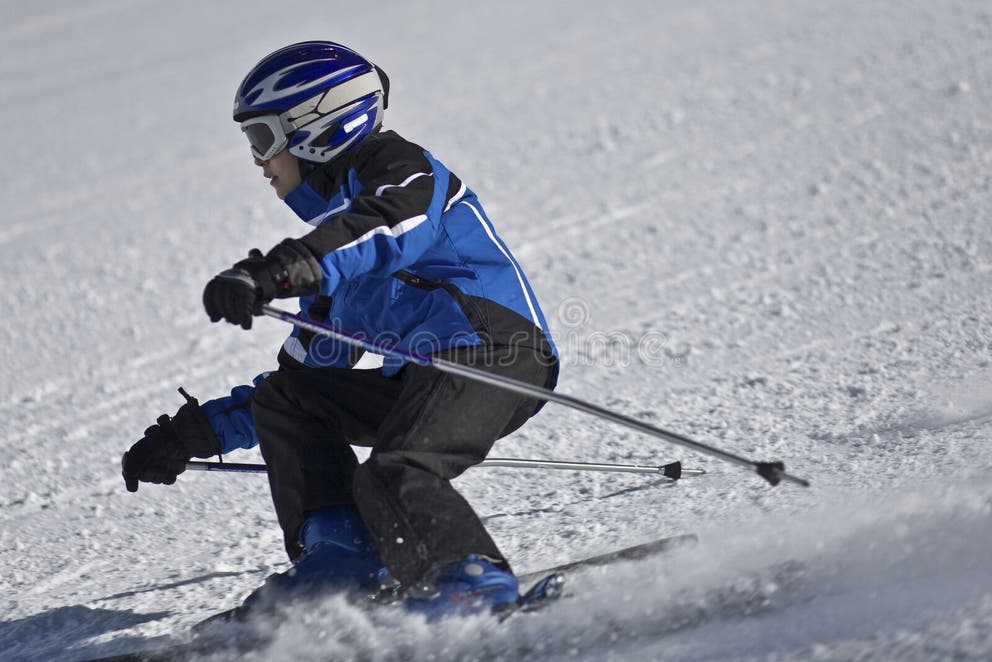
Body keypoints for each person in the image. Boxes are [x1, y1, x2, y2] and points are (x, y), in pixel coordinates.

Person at [120, 41, 558, 618]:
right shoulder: (337, 267)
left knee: (394, 472)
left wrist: (280, 269)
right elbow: (301, 379)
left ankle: (472, 582)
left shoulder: (402, 174)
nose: (258, 162)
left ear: (317, 127)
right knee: (290, 397)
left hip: (494, 355)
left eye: (262, 139)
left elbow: (389, 223)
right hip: (422, 380)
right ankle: (343, 561)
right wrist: (196, 435)